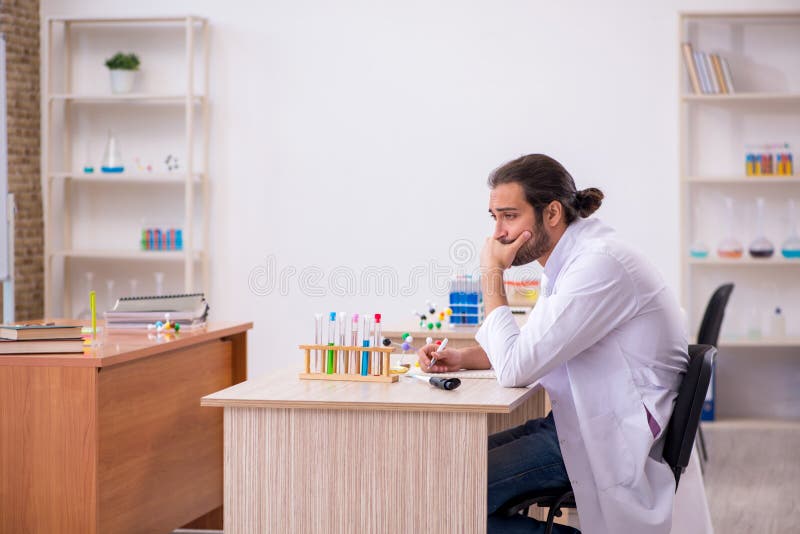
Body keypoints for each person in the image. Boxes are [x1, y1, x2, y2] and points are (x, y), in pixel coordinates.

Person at [417, 154, 689, 534]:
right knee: (441, 472)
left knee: (444, 491)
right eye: (494, 217)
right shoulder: (572, 261)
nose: (498, 233)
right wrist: (463, 357)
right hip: (575, 422)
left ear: (552, 213)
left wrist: (491, 272)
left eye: (510, 216)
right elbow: (533, 345)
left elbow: (515, 369)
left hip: (607, 438)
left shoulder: (597, 265)